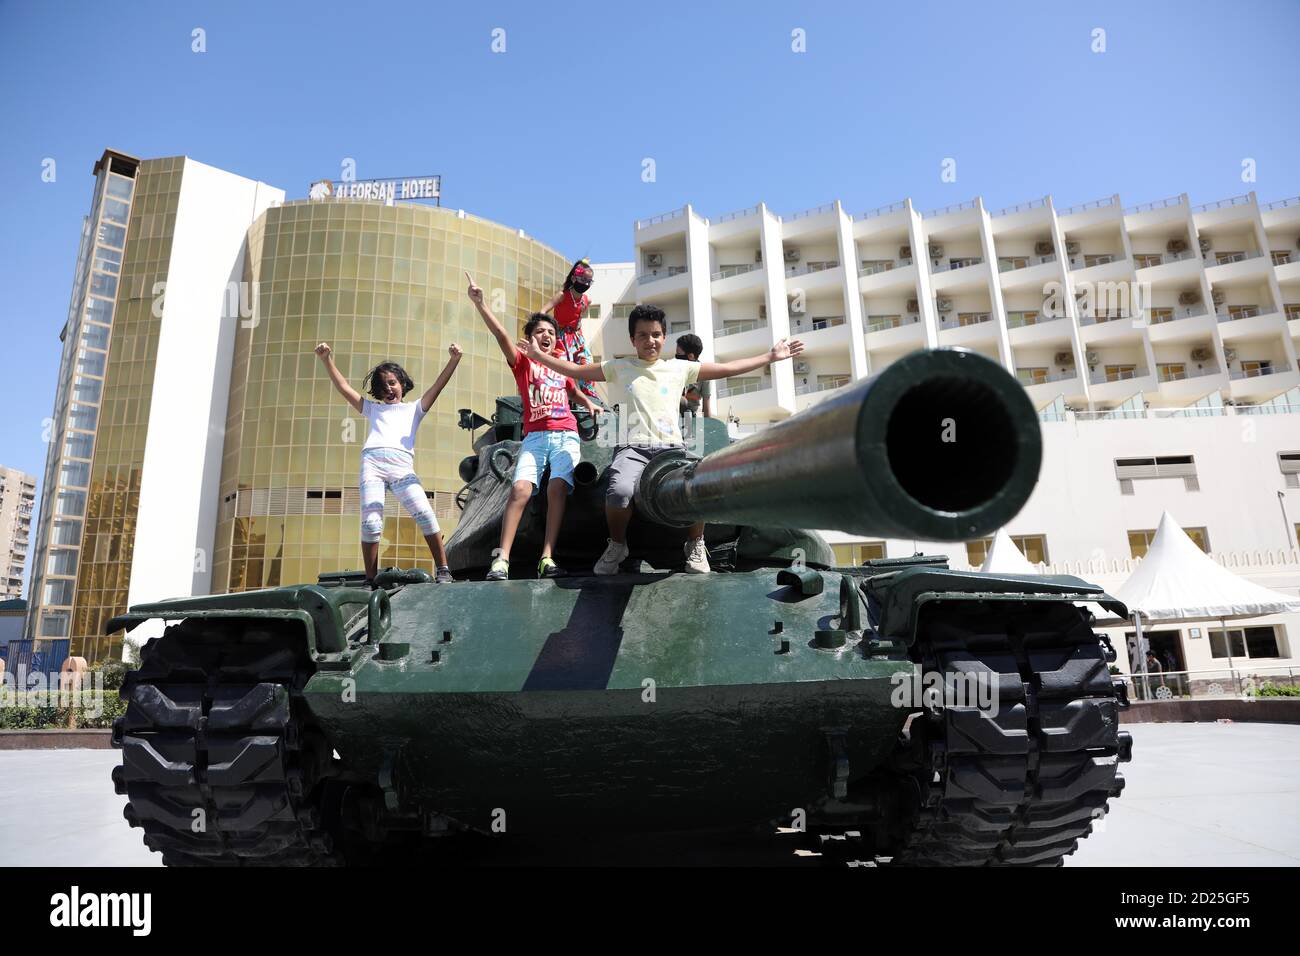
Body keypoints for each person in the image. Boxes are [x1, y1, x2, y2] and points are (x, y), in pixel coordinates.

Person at [524, 302, 804, 575]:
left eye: (656, 334)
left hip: (670, 450)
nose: (650, 341)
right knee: (618, 492)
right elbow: (574, 371)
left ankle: (695, 542)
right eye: (643, 335)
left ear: (664, 337)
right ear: (633, 340)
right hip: (632, 448)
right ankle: (618, 545)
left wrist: (769, 357)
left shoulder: (679, 368)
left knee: (698, 488)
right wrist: (539, 358)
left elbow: (727, 369)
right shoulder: (619, 367)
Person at [467, 272, 596, 580]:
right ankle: (503, 559)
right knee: (520, 490)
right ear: (531, 338)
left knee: (557, 488)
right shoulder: (525, 364)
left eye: (551, 331)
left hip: (566, 434)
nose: (547, 334)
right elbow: (500, 336)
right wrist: (481, 304)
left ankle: (547, 557)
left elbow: (573, 389)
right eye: (539, 331)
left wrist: (589, 403)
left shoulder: (560, 367)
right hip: (535, 436)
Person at [315, 341, 461, 587]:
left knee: (425, 514)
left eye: (392, 383)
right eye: (383, 386)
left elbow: (438, 385)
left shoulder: (415, 409)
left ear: (402, 384)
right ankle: (371, 579)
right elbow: (343, 387)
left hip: (402, 467)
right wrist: (326, 359)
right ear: (377, 392)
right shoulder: (372, 409)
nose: (389, 389)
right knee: (371, 522)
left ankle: (444, 569)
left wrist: (454, 360)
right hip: (372, 463)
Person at [543, 258, 602, 405]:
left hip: (576, 338)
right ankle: (561, 397)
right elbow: (543, 310)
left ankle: (589, 396)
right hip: (561, 338)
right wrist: (543, 328)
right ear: (574, 278)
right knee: (561, 367)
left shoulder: (586, 300)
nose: (586, 284)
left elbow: (578, 319)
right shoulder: (562, 295)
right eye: (583, 280)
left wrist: (578, 321)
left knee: (586, 365)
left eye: (589, 282)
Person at [675, 333, 714, 419]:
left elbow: (706, 405)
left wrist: (709, 427)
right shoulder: (673, 369)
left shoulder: (704, 373)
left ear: (691, 356)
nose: (676, 356)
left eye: (678, 353)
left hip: (694, 416)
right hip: (675, 414)